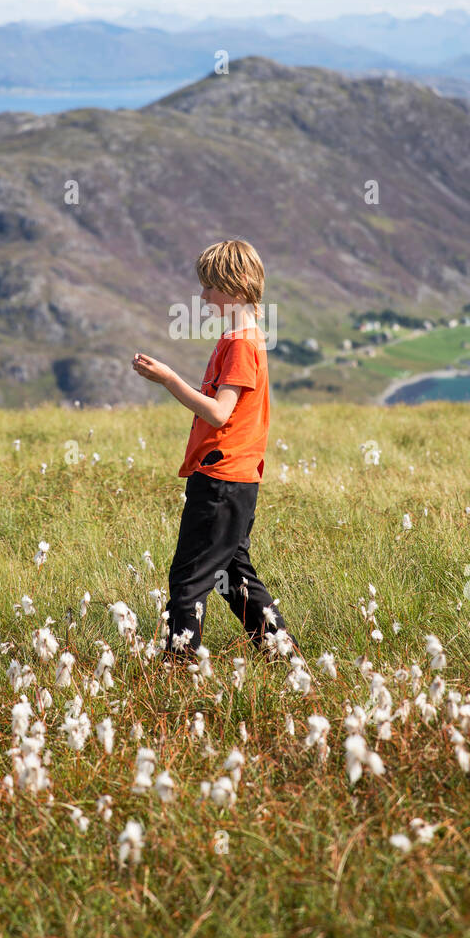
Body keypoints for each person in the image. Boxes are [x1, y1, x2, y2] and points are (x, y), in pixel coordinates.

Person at [132, 238, 295, 657]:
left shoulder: (240, 343)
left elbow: (220, 413)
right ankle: (285, 657)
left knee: (188, 583)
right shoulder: (242, 338)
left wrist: (169, 379)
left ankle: (178, 674)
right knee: (233, 578)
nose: (203, 297)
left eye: (210, 287)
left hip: (221, 480)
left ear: (236, 288)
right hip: (236, 480)